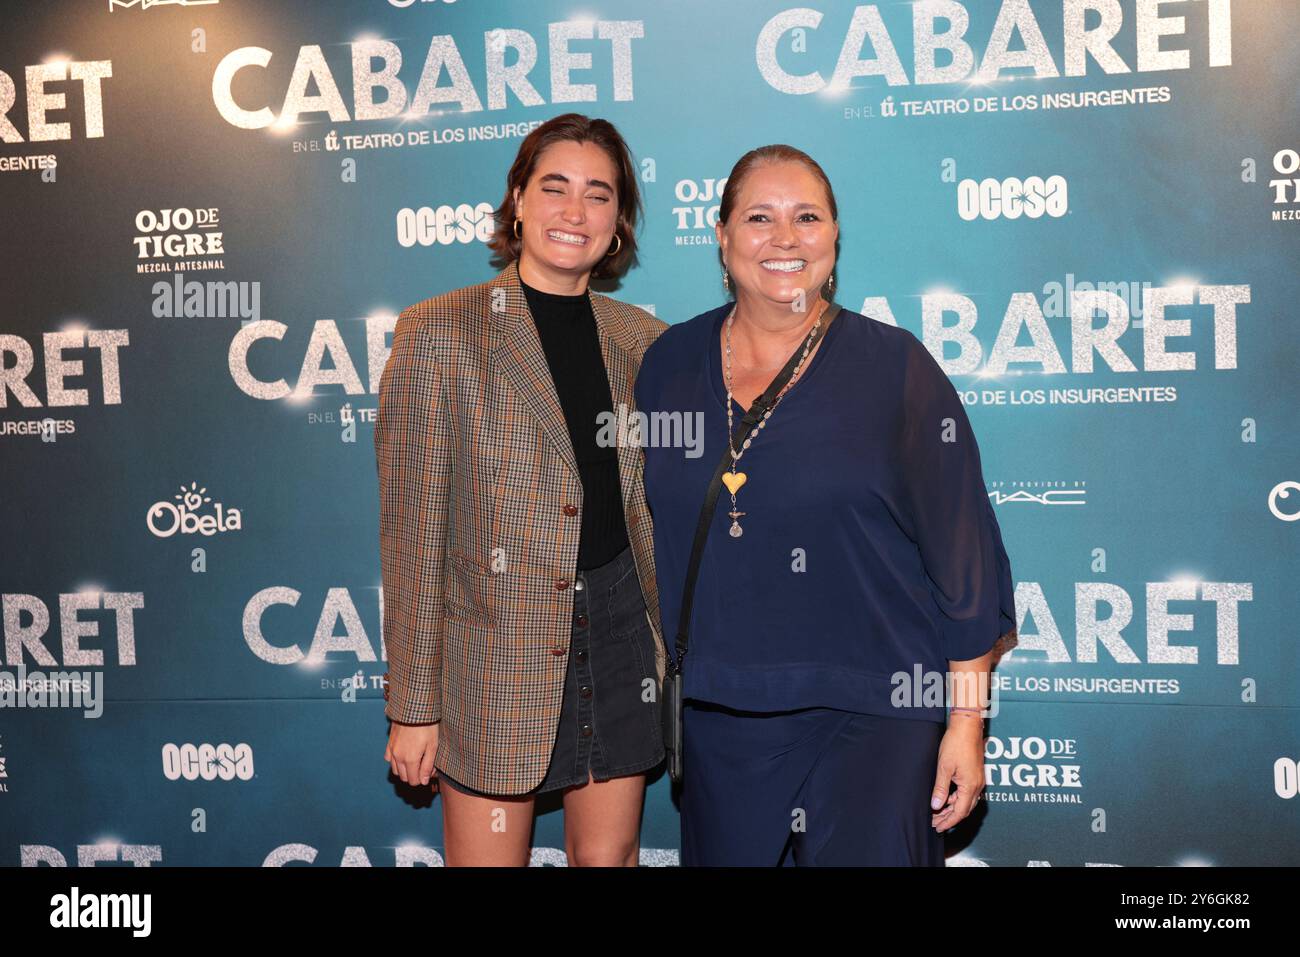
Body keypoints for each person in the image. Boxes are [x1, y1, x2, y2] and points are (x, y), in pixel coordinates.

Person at [634, 144, 1018, 866]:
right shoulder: (668, 367)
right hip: (722, 713)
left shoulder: (897, 368)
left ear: (835, 237)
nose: (785, 238)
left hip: (876, 706)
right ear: (720, 237)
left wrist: (966, 722)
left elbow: (964, 558)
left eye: (807, 217)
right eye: (759, 217)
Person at [376, 113, 668, 866]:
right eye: (555, 187)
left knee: (610, 857)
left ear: (619, 220)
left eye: (599, 195)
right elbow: (414, 536)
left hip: (618, 628)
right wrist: (414, 708)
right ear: (517, 199)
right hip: (492, 645)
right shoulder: (439, 333)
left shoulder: (642, 338)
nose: (576, 211)